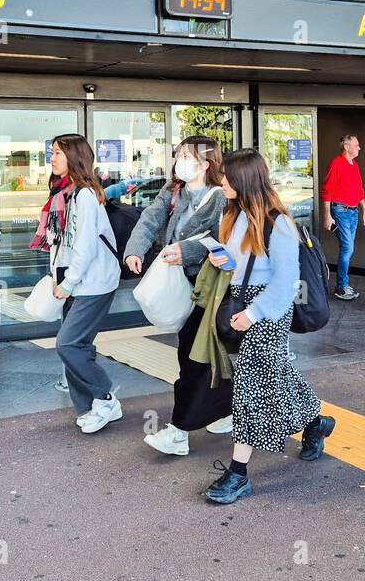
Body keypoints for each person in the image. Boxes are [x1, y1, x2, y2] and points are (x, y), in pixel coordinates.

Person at [204, 148, 336, 505]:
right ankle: (315, 423)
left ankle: (238, 473)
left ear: (245, 180)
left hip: (268, 310)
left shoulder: (279, 222)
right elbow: (243, 264)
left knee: (250, 387)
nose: (222, 181)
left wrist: (255, 313)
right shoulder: (235, 215)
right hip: (242, 301)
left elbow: (286, 281)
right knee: (276, 375)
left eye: (228, 176)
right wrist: (223, 259)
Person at [123, 136, 232, 456]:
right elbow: (149, 219)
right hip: (180, 286)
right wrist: (134, 250)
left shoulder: (220, 197)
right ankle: (229, 409)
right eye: (179, 155)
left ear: (206, 163)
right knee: (204, 355)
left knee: (192, 357)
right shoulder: (173, 191)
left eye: (187, 156)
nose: (179, 161)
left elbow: (222, 240)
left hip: (208, 289)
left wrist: (189, 251)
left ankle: (179, 432)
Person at [32, 133, 122, 433]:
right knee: (79, 346)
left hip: (93, 282)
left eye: (57, 152)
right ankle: (89, 406)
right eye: (52, 152)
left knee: (67, 344)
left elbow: (85, 246)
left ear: (74, 157)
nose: (52, 158)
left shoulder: (83, 195)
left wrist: (69, 283)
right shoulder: (62, 193)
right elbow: (61, 244)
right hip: (72, 279)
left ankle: (105, 397)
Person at [320, 133, 365, 301]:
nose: (359, 147)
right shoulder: (337, 163)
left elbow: (360, 189)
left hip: (354, 212)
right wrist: (327, 215)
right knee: (348, 248)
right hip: (340, 211)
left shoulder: (354, 165)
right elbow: (327, 190)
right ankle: (342, 286)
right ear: (347, 147)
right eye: (356, 145)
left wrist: (364, 211)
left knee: (347, 248)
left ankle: (343, 285)